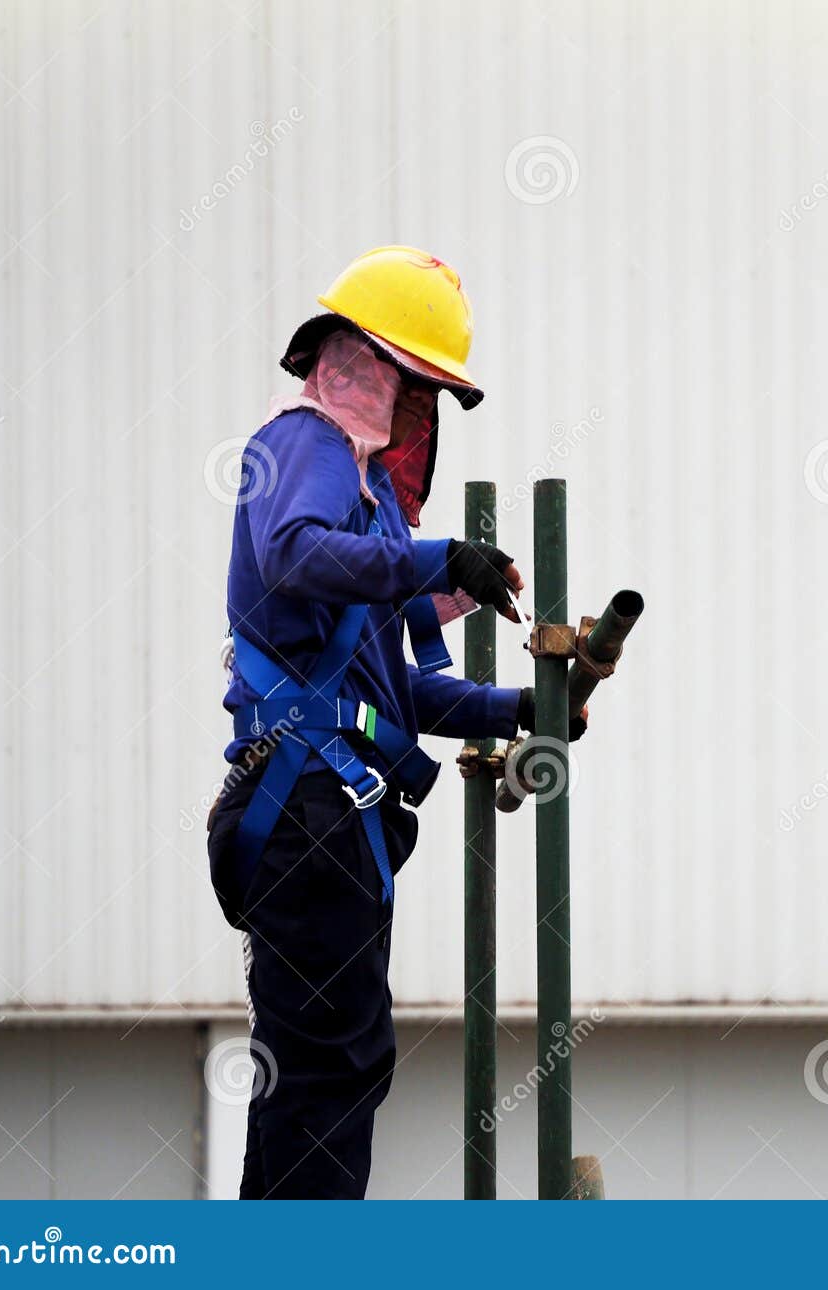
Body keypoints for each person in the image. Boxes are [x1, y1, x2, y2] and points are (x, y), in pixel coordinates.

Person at [205, 246, 573, 1198]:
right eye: (417, 392)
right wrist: (435, 557)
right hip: (305, 807)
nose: (420, 421)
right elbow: (291, 551)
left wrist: (529, 708)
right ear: (363, 365)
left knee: (336, 1066)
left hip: (332, 811)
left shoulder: (362, 516)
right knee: (329, 1067)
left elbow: (392, 696)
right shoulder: (304, 445)